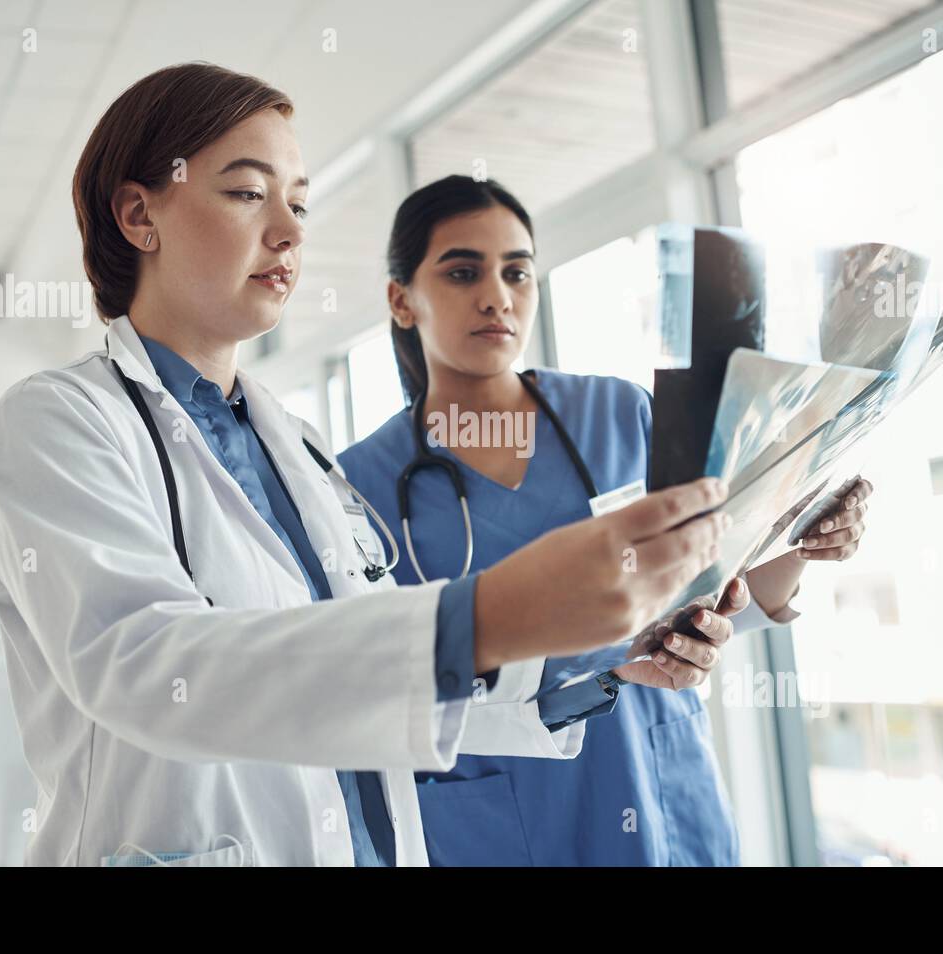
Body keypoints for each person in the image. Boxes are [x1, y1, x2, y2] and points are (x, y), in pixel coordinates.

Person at [0, 64, 738, 867]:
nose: (290, 232)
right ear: (139, 215)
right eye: (247, 193)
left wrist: (598, 652)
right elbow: (150, 668)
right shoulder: (56, 423)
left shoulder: (298, 448)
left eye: (299, 204)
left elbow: (373, 688)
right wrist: (493, 612)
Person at [337, 175, 874, 866]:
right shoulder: (357, 486)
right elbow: (376, 690)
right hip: (500, 820)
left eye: (517, 272)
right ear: (401, 299)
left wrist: (803, 540)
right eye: (463, 272)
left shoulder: (622, 414)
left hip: (660, 789)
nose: (497, 296)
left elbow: (717, 589)